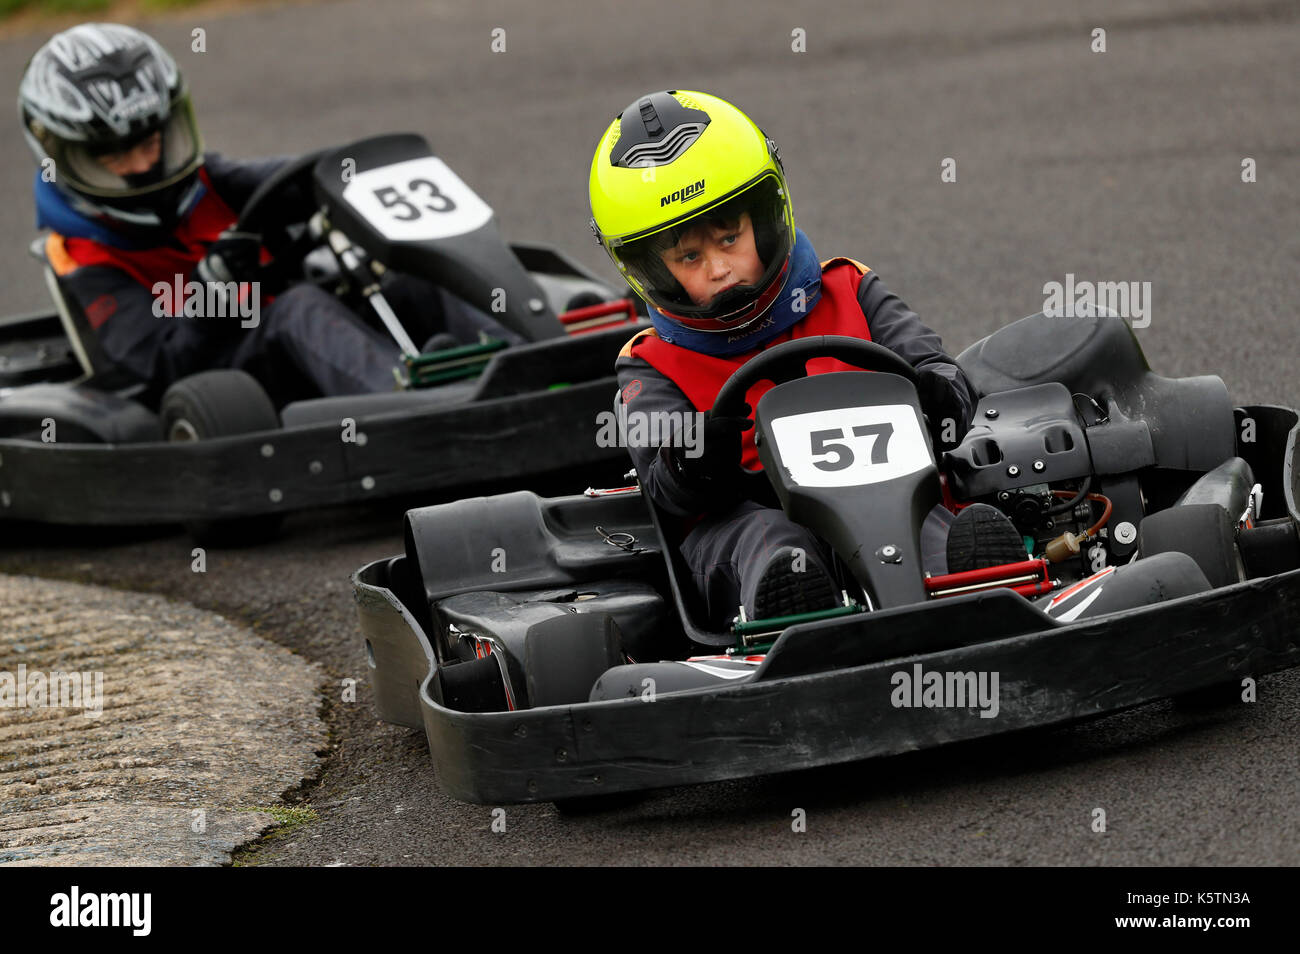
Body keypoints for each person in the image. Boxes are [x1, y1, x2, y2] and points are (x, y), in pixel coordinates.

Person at [589, 90, 1023, 627]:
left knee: (928, 520)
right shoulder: (651, 363)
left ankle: (983, 585)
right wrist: (695, 459)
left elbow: (936, 369)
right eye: (690, 257)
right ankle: (797, 612)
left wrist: (940, 396)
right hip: (746, 524)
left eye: (730, 238)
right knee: (773, 541)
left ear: (768, 218)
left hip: (889, 499)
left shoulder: (849, 288)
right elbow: (664, 482)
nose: (721, 269)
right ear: (649, 269)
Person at [19, 22, 504, 408]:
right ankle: (425, 407)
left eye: (151, 142)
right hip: (221, 381)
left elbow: (295, 181)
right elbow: (160, 365)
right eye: (116, 156)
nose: (146, 166)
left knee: (408, 275)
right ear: (68, 158)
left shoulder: (204, 180)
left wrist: (353, 182)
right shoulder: (83, 256)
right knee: (298, 309)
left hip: (305, 346)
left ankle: (523, 361)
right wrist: (216, 296)